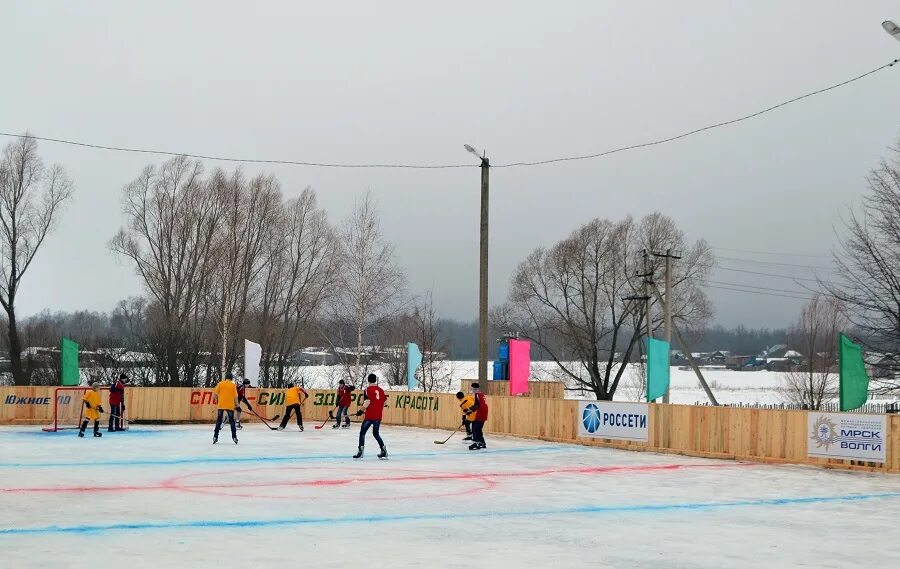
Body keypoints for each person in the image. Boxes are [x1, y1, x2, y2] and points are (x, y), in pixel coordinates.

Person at [353, 374, 387, 459]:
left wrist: (361, 410)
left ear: (368, 380)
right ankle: (383, 450)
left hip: (370, 416)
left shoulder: (367, 390)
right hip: (378, 416)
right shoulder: (381, 390)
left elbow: (367, 402)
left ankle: (360, 451)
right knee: (376, 434)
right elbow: (385, 403)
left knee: (362, 433)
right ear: (375, 380)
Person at [213, 373, 239, 444]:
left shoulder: (220, 384)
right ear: (231, 378)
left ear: (226, 378)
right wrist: (237, 406)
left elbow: (215, 393)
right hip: (230, 406)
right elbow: (235, 397)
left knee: (219, 420)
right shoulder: (233, 385)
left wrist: (216, 401)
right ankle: (234, 437)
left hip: (221, 405)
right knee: (231, 421)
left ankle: (215, 436)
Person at [466, 382, 489, 450]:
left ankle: (477, 442)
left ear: (474, 388)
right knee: (478, 428)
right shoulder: (481, 394)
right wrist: (470, 410)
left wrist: (470, 410)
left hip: (481, 413)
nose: (471, 389)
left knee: (475, 428)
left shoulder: (477, 394)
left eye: (472, 388)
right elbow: (478, 404)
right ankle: (482, 442)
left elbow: (477, 405)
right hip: (484, 413)